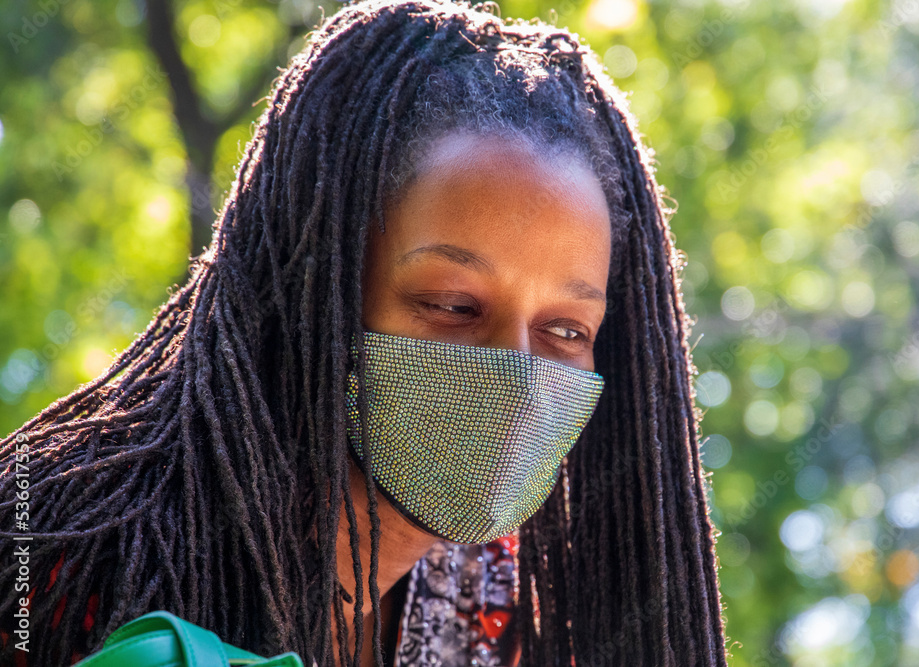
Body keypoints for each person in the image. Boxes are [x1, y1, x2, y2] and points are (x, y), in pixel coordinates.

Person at [0, 0, 728, 665]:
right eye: (452, 304)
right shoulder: (44, 551)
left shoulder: (499, 605)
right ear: (312, 284)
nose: (515, 371)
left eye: (566, 328)